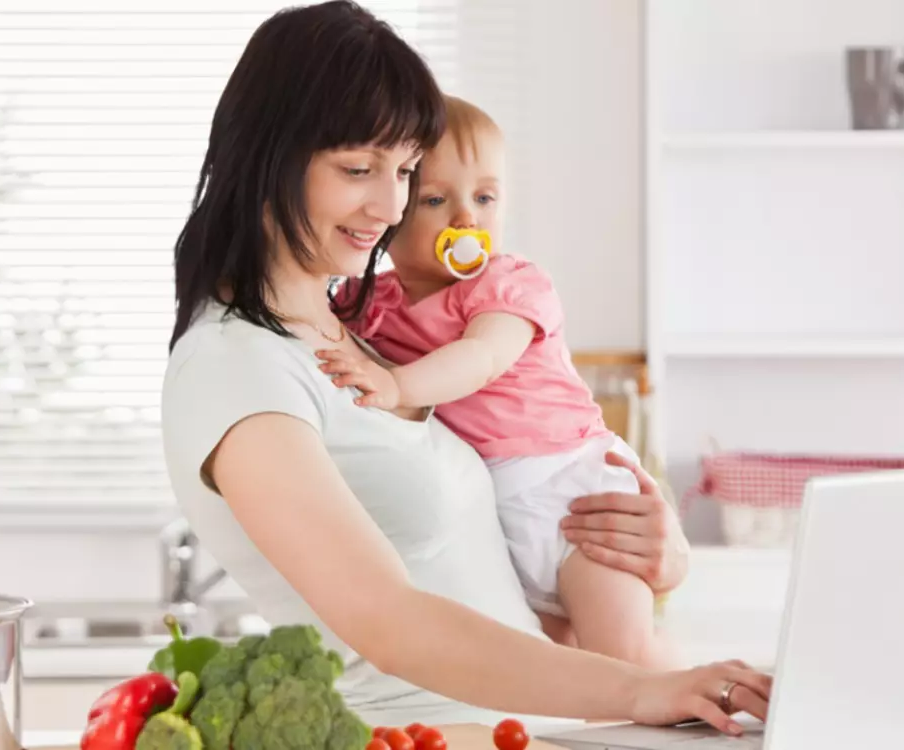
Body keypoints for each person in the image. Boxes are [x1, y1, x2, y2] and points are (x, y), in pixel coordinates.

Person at [160, 0, 769, 734]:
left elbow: (486, 588)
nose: (390, 206)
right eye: (359, 168)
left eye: (407, 171)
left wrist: (651, 560)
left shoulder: (372, 335)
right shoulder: (234, 369)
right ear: (268, 156)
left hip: (531, 729)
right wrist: (641, 691)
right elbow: (390, 622)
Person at [321, 95, 680, 669]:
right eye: (437, 200)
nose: (467, 218)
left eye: (485, 197)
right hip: (494, 523)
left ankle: (696, 710)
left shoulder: (508, 284)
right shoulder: (368, 303)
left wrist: (396, 387)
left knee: (624, 658)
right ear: (389, 214)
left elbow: (482, 356)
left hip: (574, 496)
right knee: (554, 672)